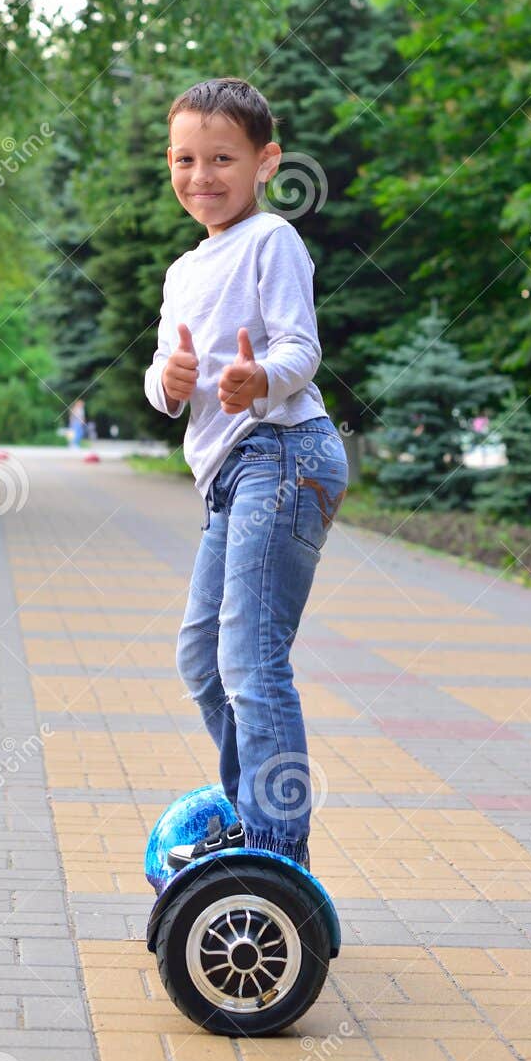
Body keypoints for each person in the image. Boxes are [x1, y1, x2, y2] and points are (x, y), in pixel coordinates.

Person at [143, 78, 348, 872]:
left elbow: (301, 348)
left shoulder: (273, 242)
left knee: (252, 661)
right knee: (203, 659)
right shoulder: (183, 269)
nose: (202, 176)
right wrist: (175, 378)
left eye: (222, 158)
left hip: (287, 454)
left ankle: (274, 848)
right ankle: (251, 811)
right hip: (230, 474)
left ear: (265, 162)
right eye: (185, 159)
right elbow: (162, 381)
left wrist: (260, 381)